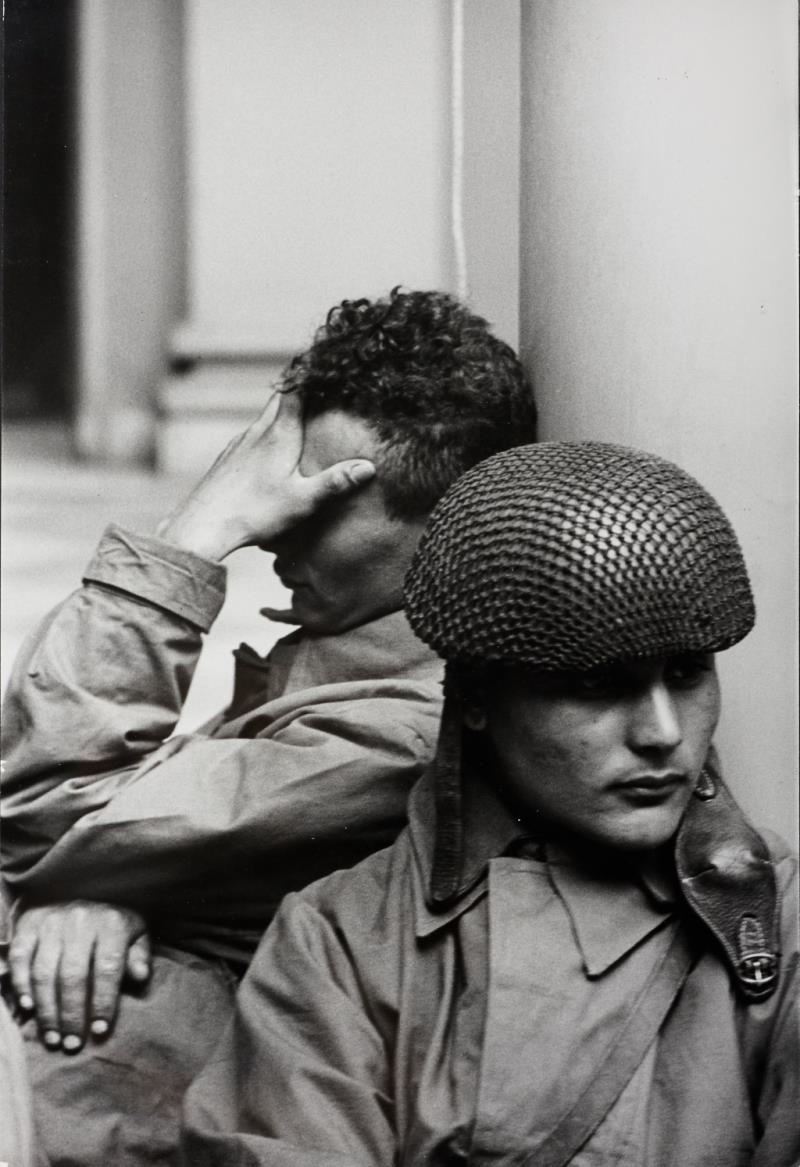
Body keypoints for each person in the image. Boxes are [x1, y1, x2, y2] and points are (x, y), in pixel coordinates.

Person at [0, 288, 538, 1164]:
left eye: (315, 507)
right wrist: (94, 886)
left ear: (447, 525)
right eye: (267, 494)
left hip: (105, 1094)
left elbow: (43, 806)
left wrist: (194, 534)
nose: (269, 537)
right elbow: (67, 824)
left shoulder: (405, 732)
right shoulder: (332, 657)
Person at [181, 441, 799, 1167]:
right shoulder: (340, 943)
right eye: (600, 685)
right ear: (476, 698)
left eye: (688, 673)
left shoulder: (779, 923)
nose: (663, 733)